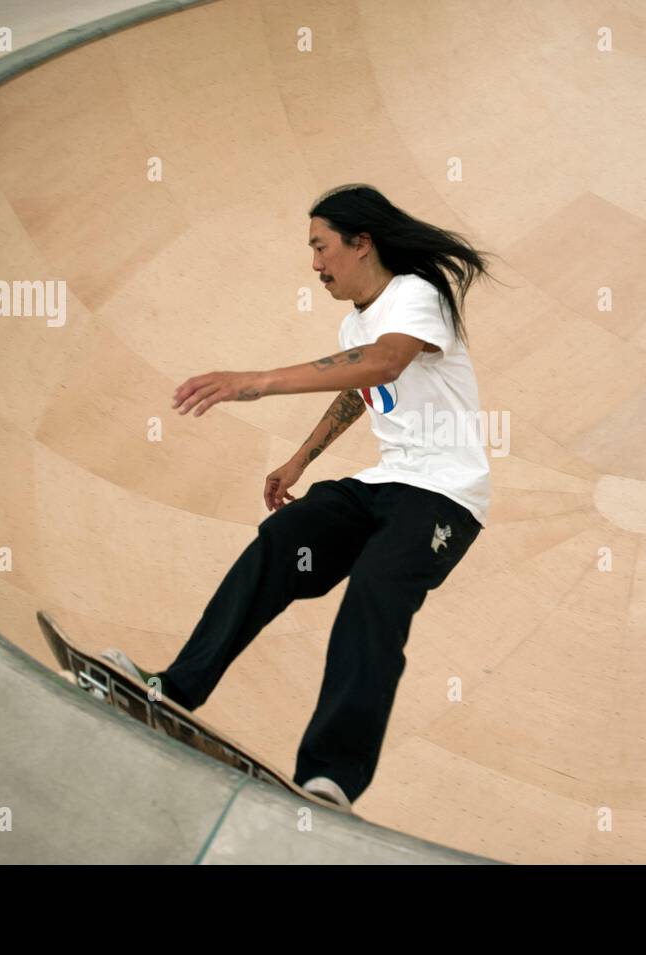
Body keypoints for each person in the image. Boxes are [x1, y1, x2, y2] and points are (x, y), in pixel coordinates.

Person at [100, 184, 502, 810]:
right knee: (284, 539)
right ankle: (175, 689)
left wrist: (258, 382)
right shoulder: (356, 320)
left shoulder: (416, 294)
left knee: (375, 589)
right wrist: (299, 459)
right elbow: (359, 390)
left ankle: (331, 777)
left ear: (361, 242)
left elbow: (385, 365)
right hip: (382, 484)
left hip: (444, 497)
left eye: (321, 247)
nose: (314, 264)